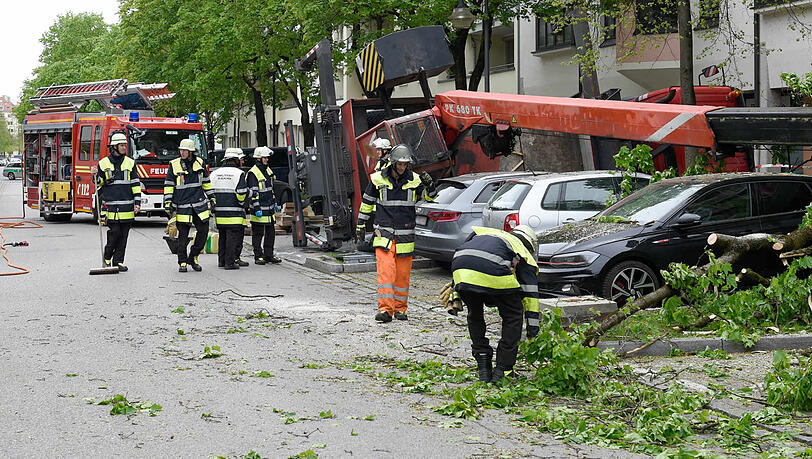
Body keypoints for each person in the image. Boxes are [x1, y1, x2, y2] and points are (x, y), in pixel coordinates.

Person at [356, 144, 437, 323]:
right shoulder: (377, 179)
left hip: (405, 236)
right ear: (393, 163)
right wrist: (361, 224)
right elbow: (367, 202)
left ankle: (400, 309)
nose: (402, 167)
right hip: (383, 233)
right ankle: (385, 310)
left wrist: (430, 186)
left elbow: (430, 198)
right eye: (399, 164)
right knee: (385, 273)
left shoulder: (415, 180)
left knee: (402, 276)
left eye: (405, 164)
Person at [450, 225, 541, 384]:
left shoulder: (486, 233)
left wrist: (455, 292)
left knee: (475, 314)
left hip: (460, 267)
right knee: (513, 316)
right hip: (492, 270)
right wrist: (533, 331)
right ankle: (504, 370)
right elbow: (530, 296)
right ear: (530, 245)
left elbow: (469, 257)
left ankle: (483, 366)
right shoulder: (522, 251)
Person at [90, 132, 141, 272]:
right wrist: (94, 174)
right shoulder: (103, 163)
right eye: (122, 145)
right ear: (114, 147)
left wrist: (137, 202)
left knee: (123, 237)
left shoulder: (130, 163)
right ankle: (107, 257)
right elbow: (98, 183)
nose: (125, 147)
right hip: (111, 206)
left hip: (127, 206)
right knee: (115, 233)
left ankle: (118, 261)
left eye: (125, 145)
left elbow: (135, 184)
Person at [164, 138, 214, 272]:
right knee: (182, 236)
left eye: (185, 150)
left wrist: (212, 198)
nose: (182, 152)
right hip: (182, 204)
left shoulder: (200, 163)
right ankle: (182, 262)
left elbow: (206, 183)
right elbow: (169, 185)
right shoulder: (174, 165)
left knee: (203, 233)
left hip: (199, 204)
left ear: (191, 151)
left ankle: (193, 256)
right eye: (181, 150)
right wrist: (168, 202)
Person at [209, 148, 249, 270]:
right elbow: (241, 193)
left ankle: (222, 261)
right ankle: (230, 263)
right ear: (236, 160)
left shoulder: (215, 173)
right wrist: (242, 203)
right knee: (232, 237)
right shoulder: (239, 174)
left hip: (219, 212)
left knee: (223, 236)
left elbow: (209, 191)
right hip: (234, 212)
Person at [247, 146, 281, 265]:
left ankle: (269, 255)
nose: (266, 159)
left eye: (267, 157)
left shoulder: (268, 170)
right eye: (264, 157)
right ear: (258, 159)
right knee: (258, 234)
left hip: (269, 208)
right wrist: (256, 208)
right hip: (259, 208)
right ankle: (258, 256)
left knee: (271, 233)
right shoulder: (253, 173)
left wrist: (275, 202)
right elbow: (253, 193)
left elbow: (270, 189)